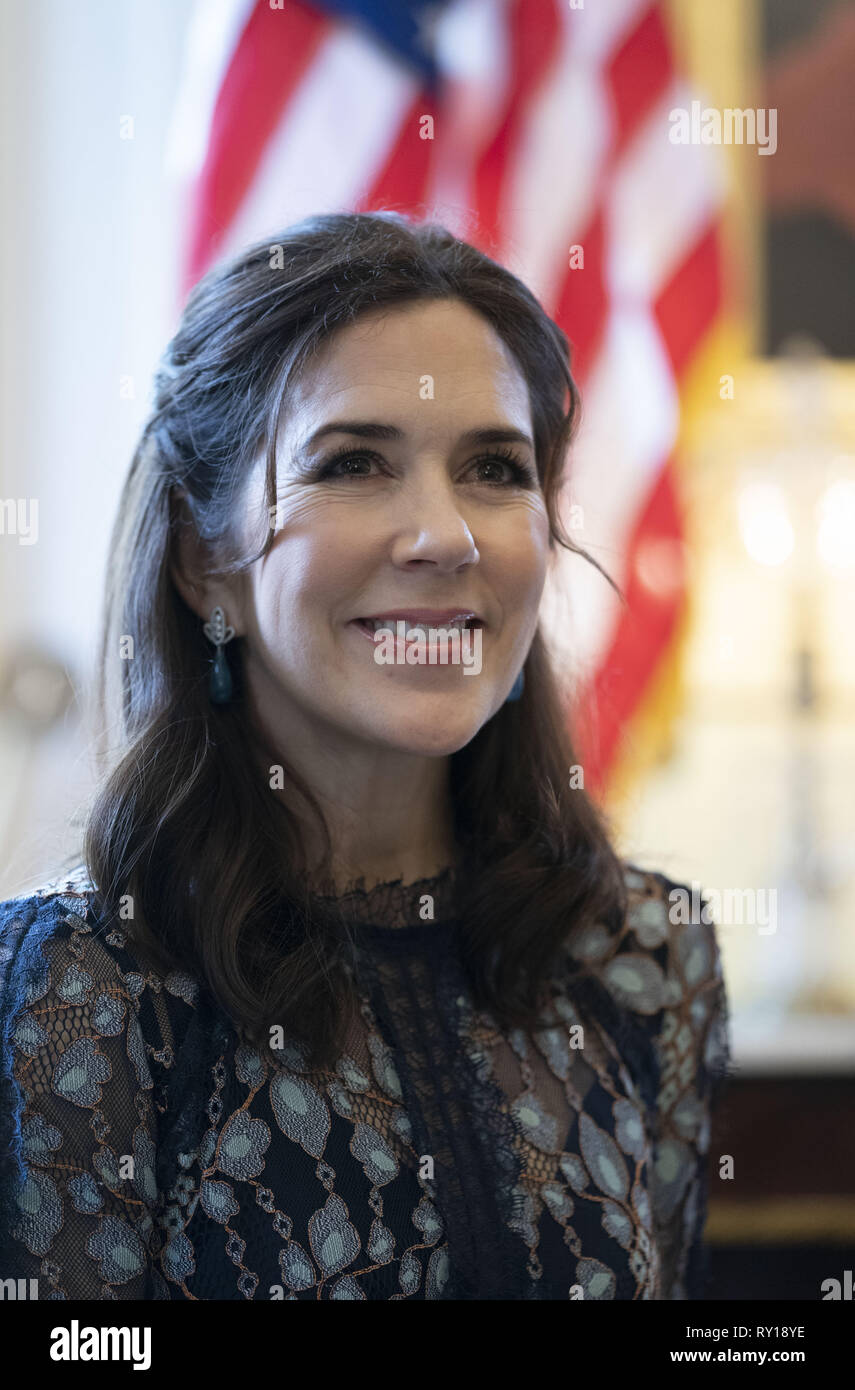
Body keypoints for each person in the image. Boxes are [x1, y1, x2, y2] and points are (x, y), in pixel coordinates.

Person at [0, 211, 730, 1300]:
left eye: (494, 466)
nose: (445, 535)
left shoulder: (648, 960)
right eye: (353, 463)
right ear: (209, 562)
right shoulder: (81, 987)